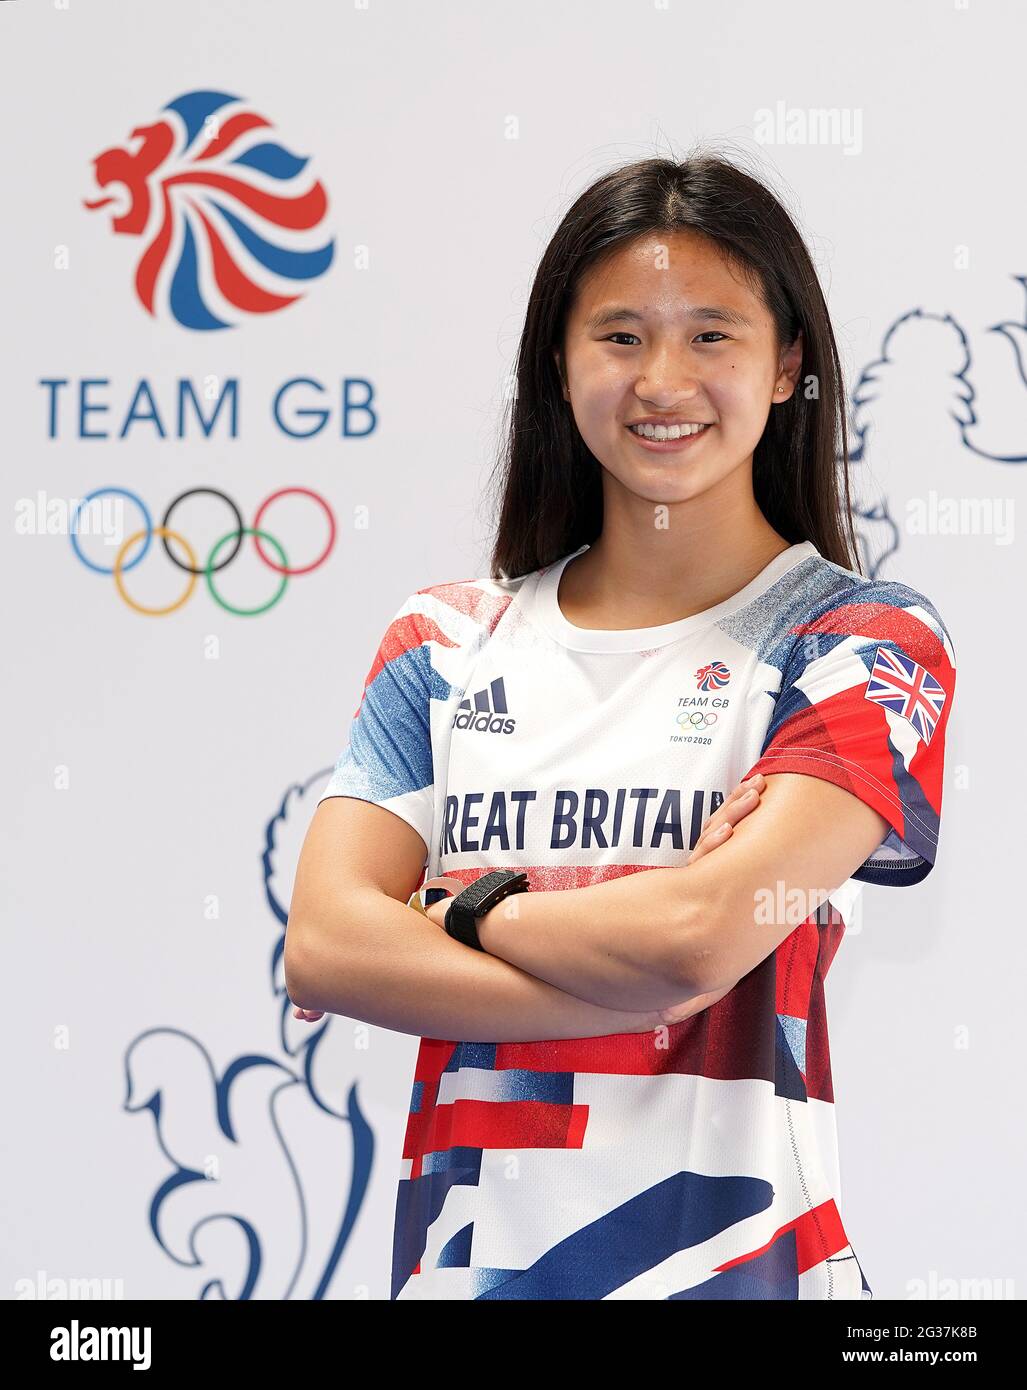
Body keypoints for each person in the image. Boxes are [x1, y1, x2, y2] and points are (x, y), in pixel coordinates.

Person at [285, 150, 956, 1301]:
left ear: (788, 361)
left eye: (710, 334)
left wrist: (453, 911)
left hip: (743, 1275)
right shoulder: (444, 640)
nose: (662, 381)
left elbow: (700, 936)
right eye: (619, 335)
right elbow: (327, 946)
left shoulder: (863, 644)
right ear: (558, 361)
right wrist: (639, 963)